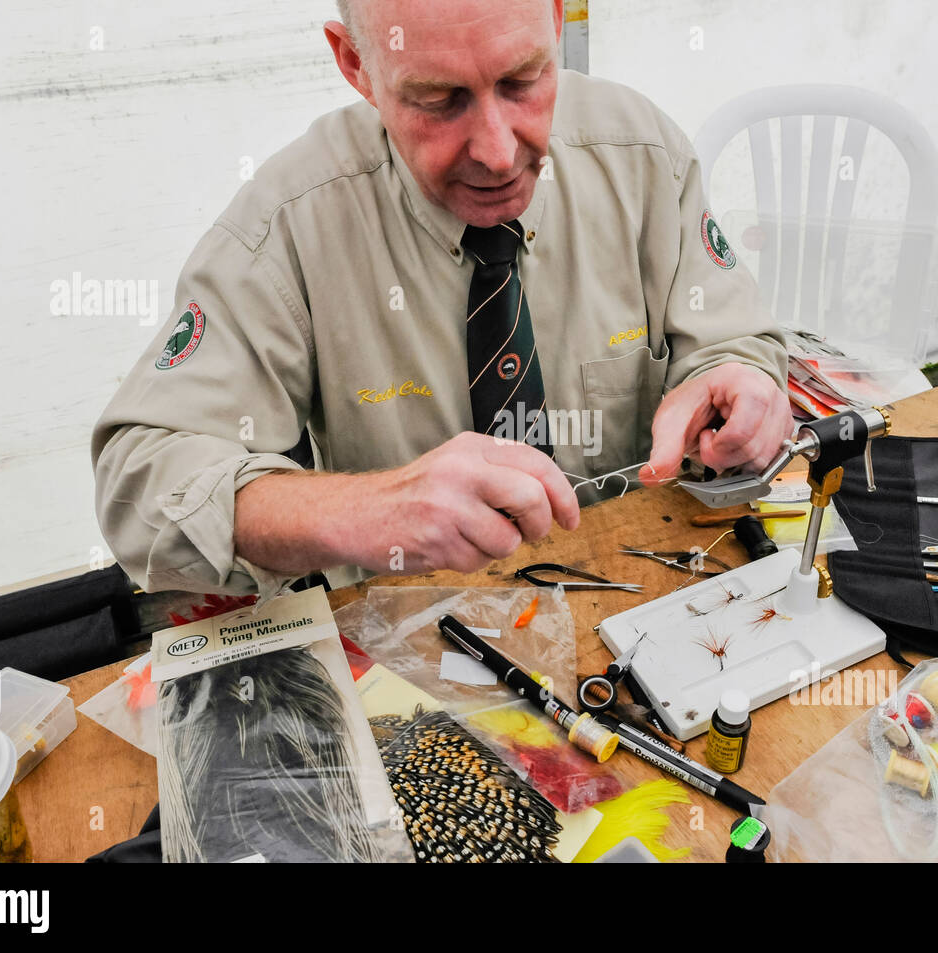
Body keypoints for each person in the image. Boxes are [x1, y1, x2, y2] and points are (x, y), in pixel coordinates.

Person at [91, 0, 792, 601]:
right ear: (355, 64)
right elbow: (141, 478)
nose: (496, 150)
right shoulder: (292, 224)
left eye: (523, 79)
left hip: (644, 599)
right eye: (438, 99)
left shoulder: (639, 154)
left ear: (555, 16)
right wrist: (365, 510)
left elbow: (733, 343)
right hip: (413, 645)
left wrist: (739, 384)